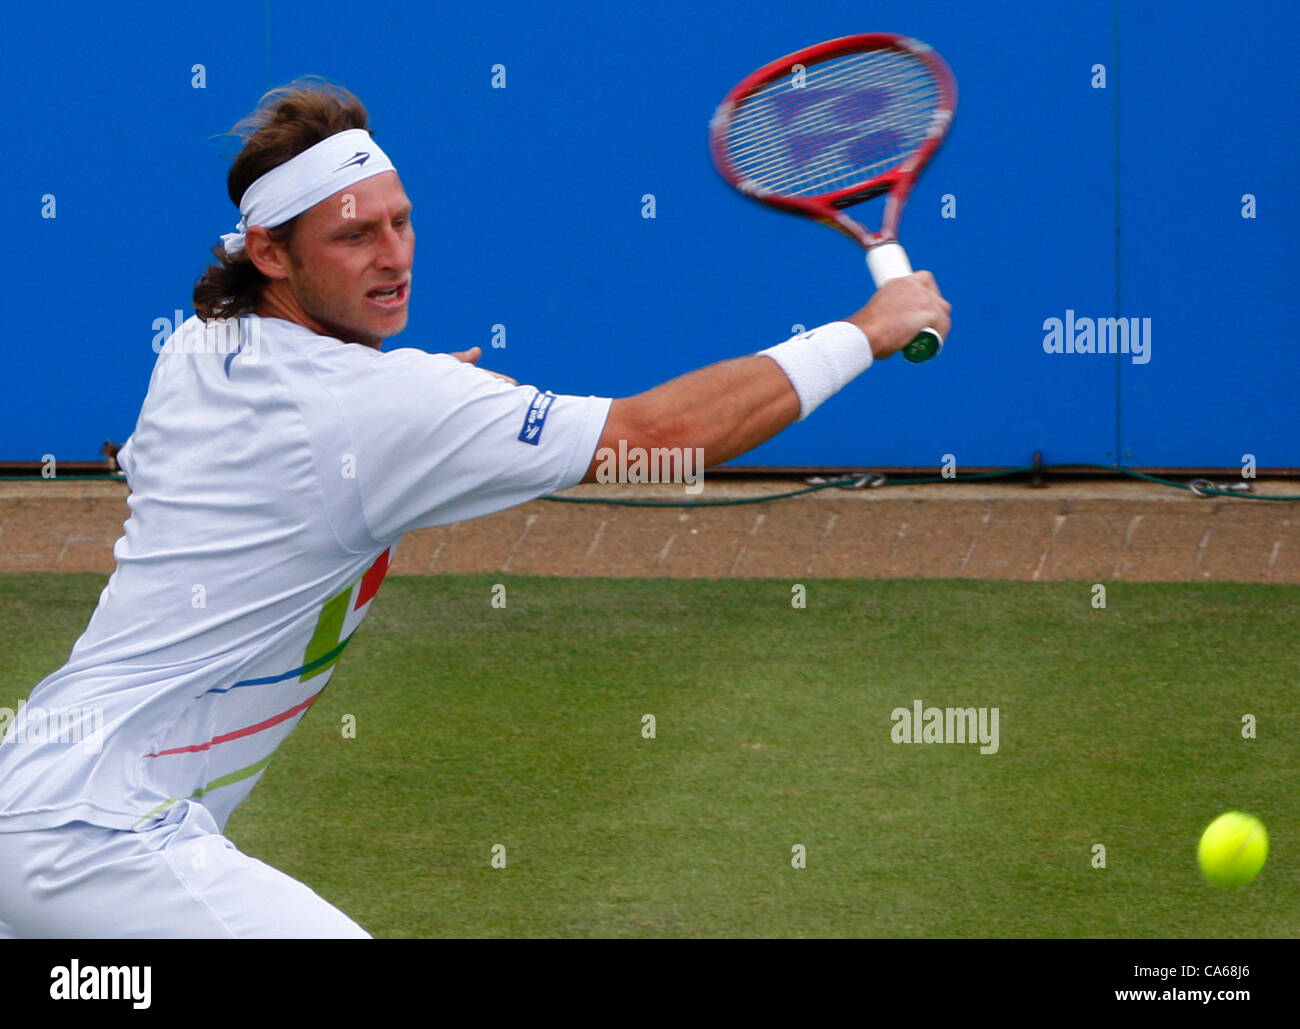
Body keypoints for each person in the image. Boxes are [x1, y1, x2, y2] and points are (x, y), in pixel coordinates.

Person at [0, 78, 950, 938]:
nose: (393, 255)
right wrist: (865, 332)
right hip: (100, 840)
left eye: (401, 222)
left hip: (34, 795)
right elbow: (662, 443)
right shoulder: (379, 406)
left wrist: (419, 418)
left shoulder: (200, 350)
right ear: (270, 254)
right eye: (354, 235)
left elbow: (304, 453)